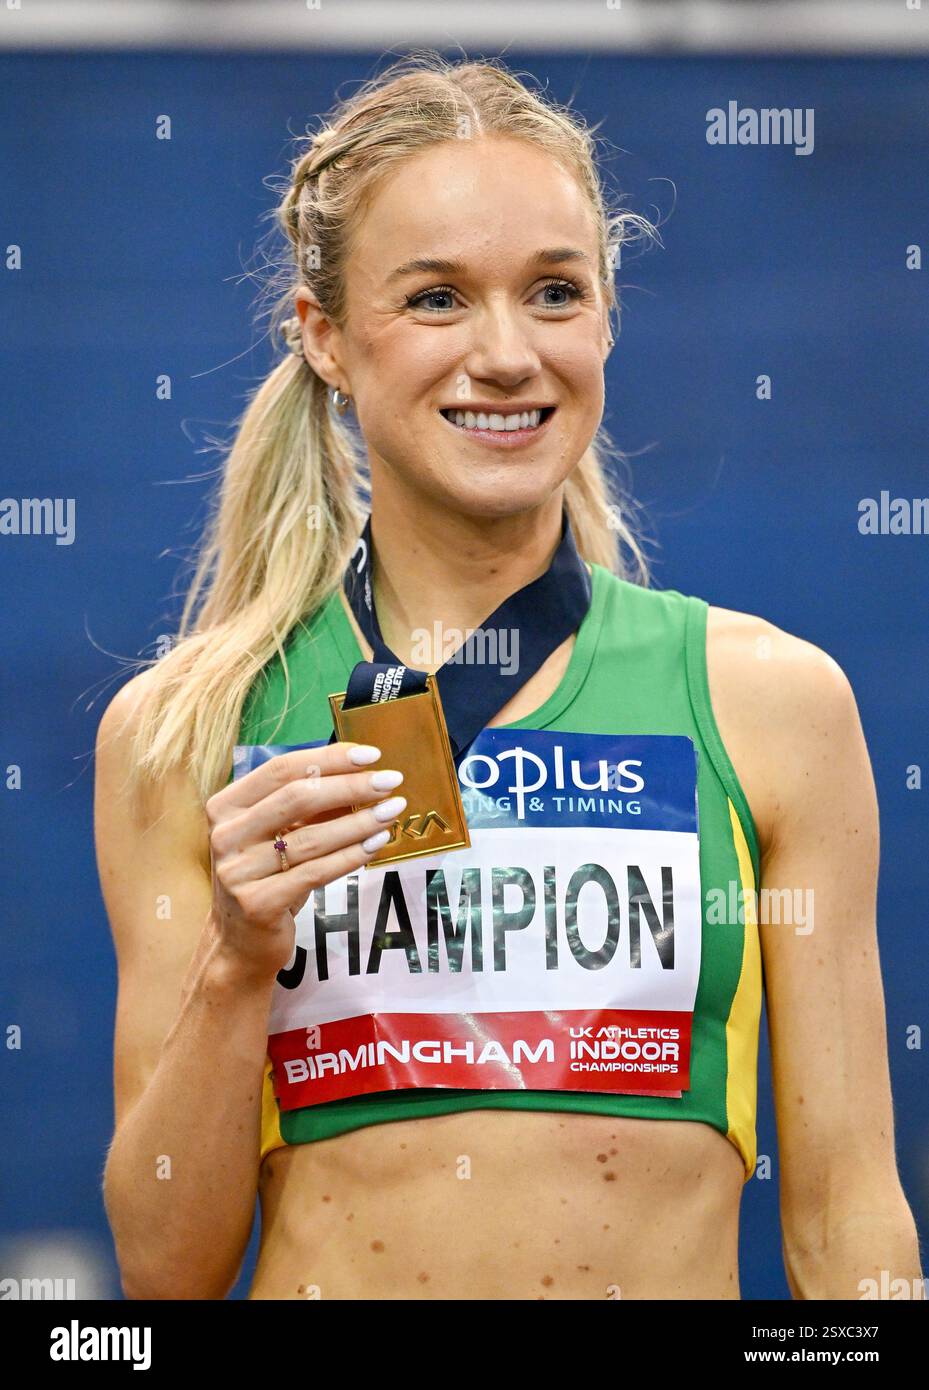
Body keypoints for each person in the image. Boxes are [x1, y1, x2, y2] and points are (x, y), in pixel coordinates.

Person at [95, 52, 921, 1301]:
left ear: (604, 319)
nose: (505, 354)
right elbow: (166, 1269)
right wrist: (237, 956)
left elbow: (847, 1210)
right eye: (434, 299)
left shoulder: (771, 705)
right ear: (323, 338)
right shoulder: (186, 727)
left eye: (551, 292)